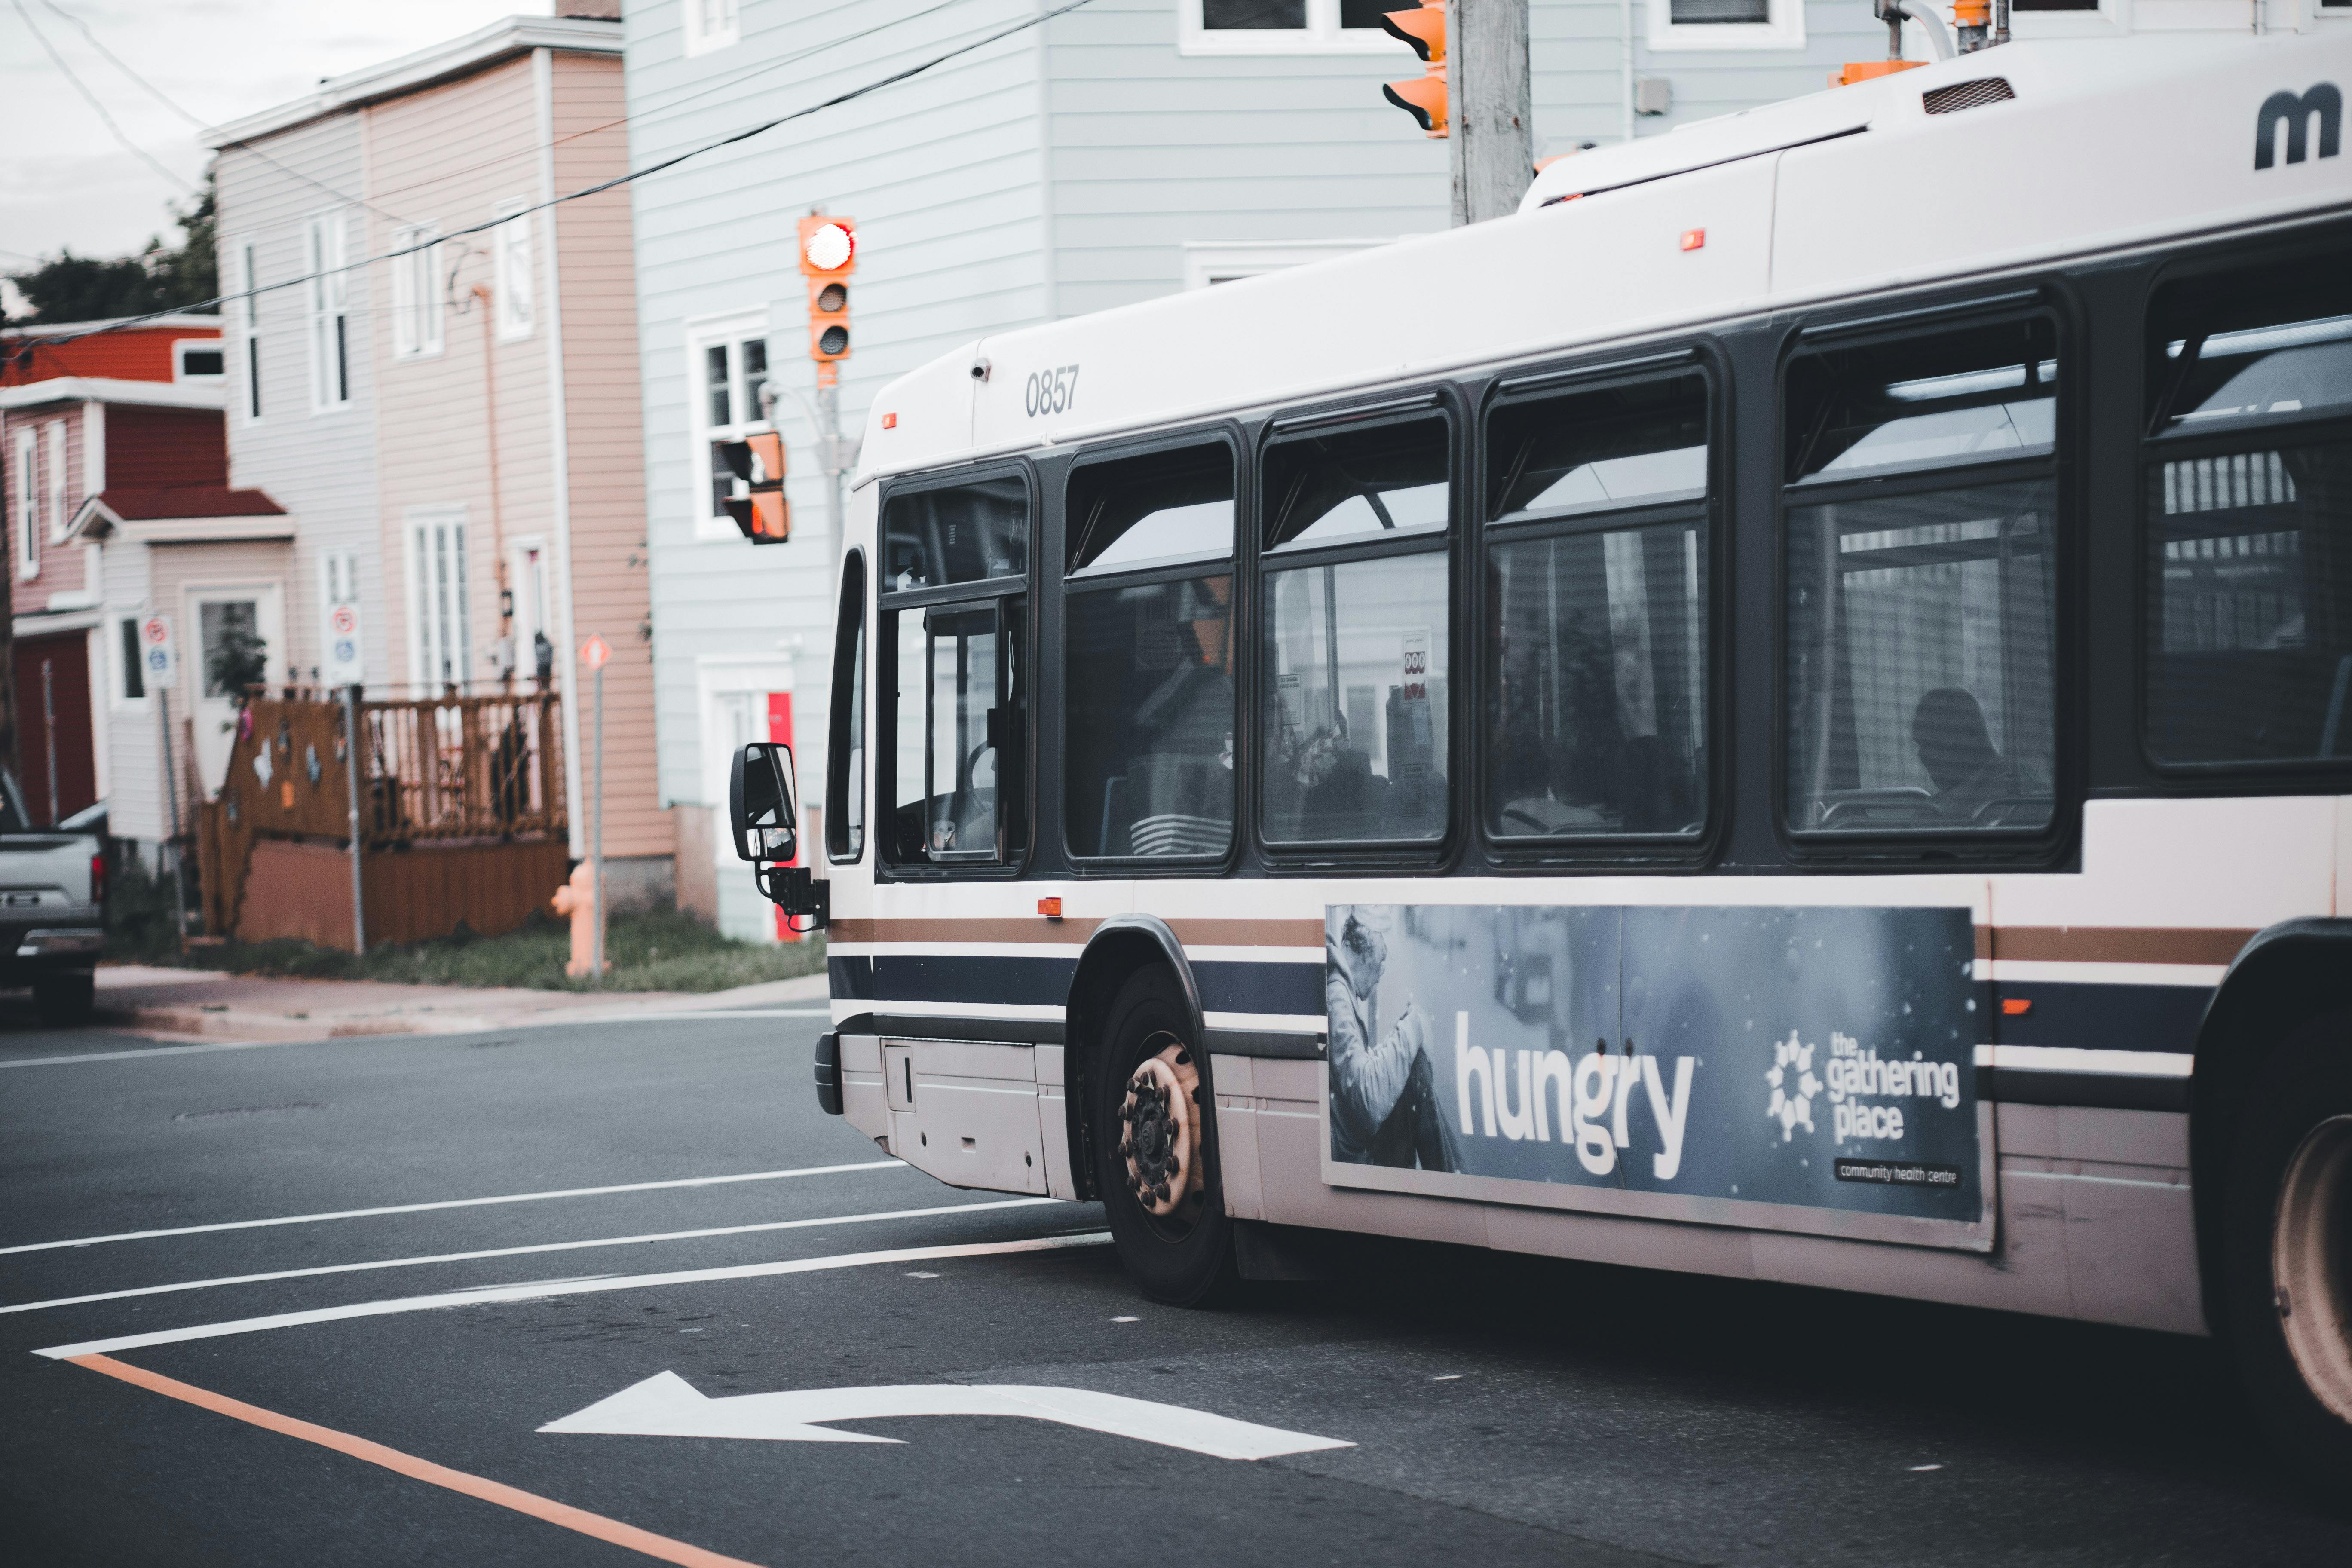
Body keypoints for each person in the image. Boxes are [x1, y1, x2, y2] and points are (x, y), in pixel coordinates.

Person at [1326, 909, 1462, 1172]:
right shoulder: (1337, 996)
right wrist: (1413, 1027)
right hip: (1355, 1157)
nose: (1382, 970)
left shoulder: (1340, 990)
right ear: (1368, 951)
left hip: (1355, 1142)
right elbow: (1368, 1102)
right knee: (1415, 1070)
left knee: (1413, 1068)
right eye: (1382, 958)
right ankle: (1452, 1175)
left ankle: (1452, 1174)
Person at [1911, 687, 2046, 823]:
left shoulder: (2011, 787)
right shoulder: (1950, 794)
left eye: (1933, 743)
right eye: (1920, 744)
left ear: (1967, 735)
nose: (1922, 755)